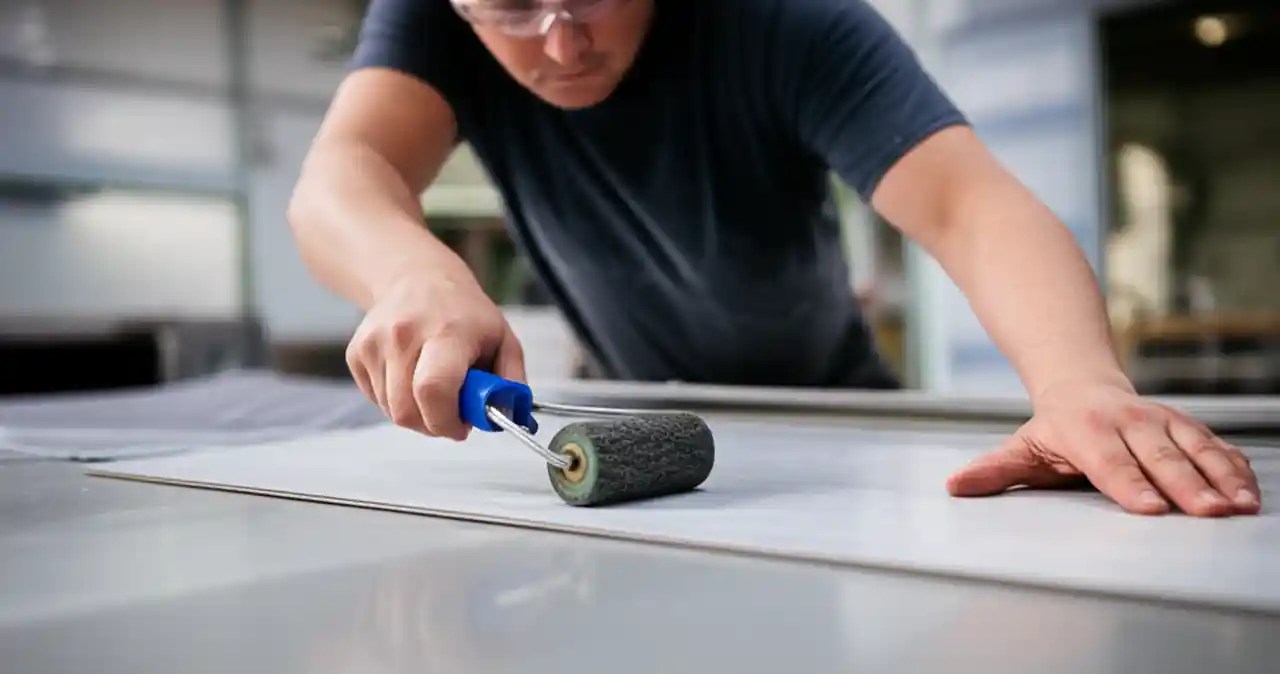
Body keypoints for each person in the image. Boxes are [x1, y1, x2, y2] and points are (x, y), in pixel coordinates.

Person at [288, 0, 1261, 517]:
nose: (561, 38)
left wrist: (1077, 383)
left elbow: (971, 207)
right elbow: (344, 170)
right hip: (640, 422)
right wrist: (414, 272)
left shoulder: (785, 22)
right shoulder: (431, 23)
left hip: (838, 414)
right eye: (509, 3)